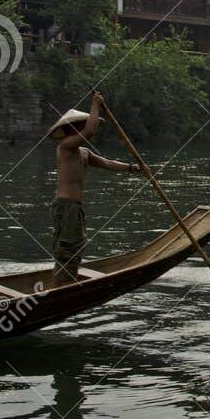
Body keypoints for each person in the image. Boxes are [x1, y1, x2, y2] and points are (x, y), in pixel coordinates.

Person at [50, 93, 147, 286]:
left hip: (74, 207)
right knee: (68, 248)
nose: (82, 129)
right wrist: (95, 105)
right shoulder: (65, 146)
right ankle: (59, 287)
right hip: (66, 206)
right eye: (80, 126)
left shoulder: (83, 152)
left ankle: (67, 280)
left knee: (75, 246)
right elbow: (90, 131)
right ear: (72, 129)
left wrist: (131, 168)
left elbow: (107, 163)